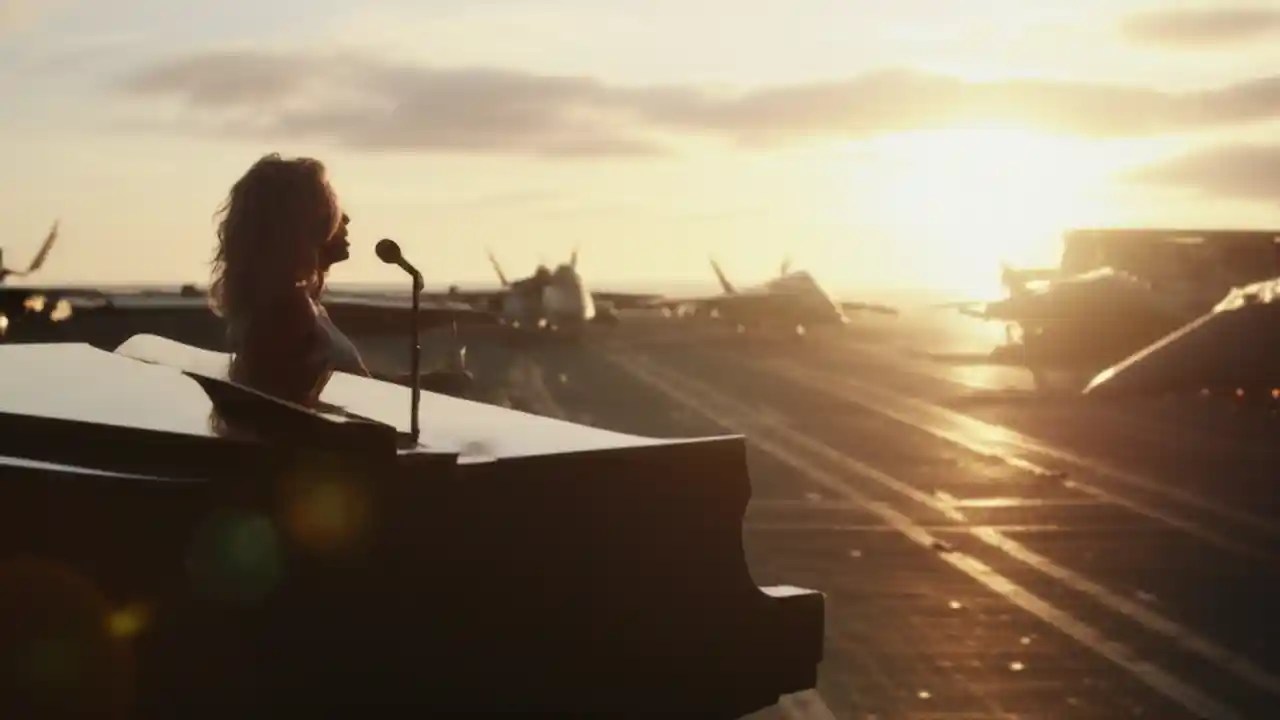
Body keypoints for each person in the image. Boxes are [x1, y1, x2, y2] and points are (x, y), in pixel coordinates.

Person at [209, 153, 369, 408]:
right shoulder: (287, 313)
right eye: (331, 204)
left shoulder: (298, 304)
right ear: (301, 222)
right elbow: (288, 413)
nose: (345, 218)